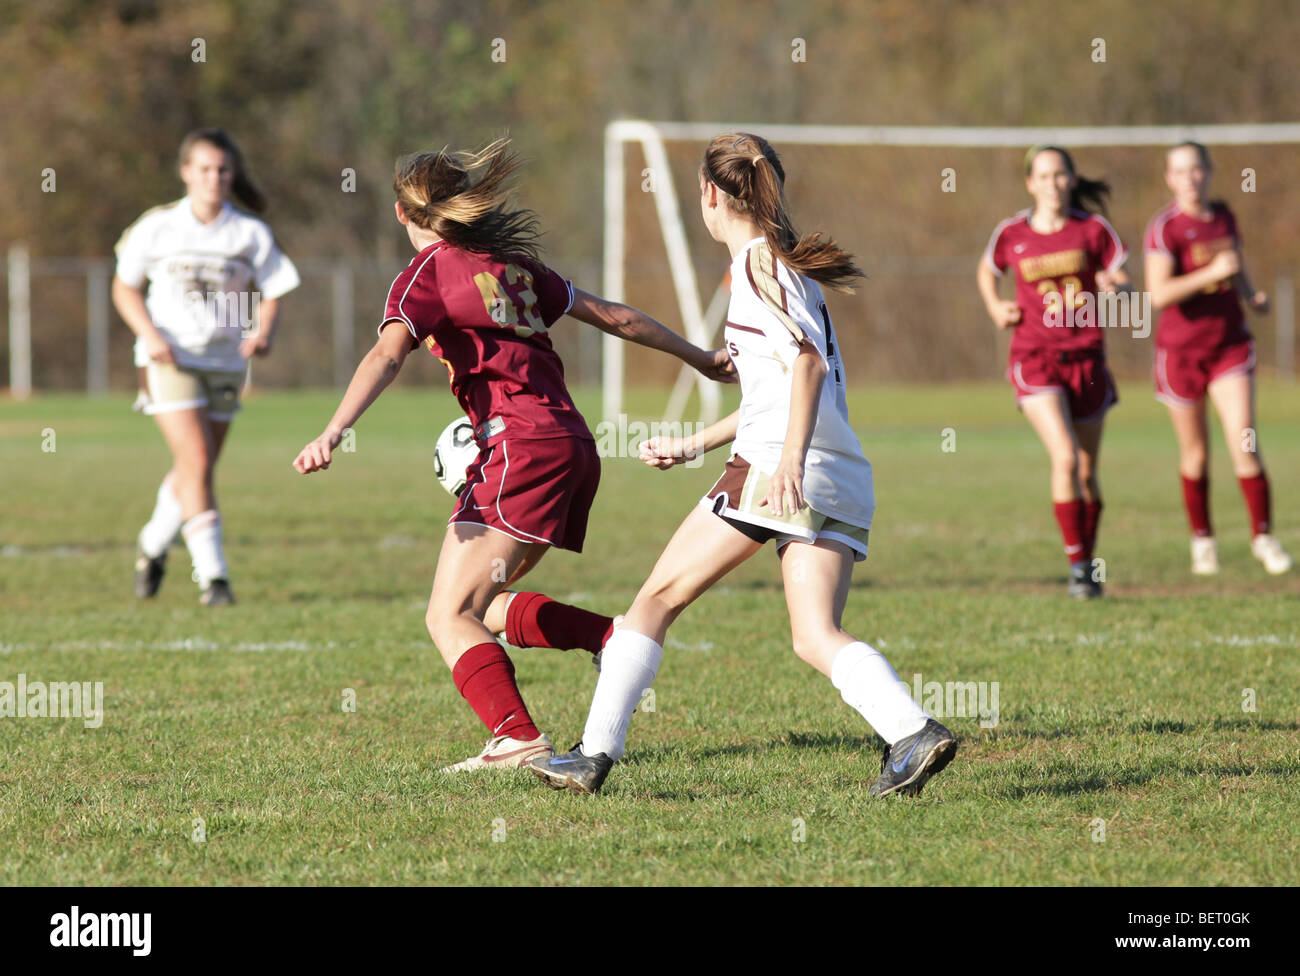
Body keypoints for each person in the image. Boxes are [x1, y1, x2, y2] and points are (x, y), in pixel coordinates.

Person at [530, 132, 957, 798]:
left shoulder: (757, 269)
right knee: (815, 635)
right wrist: (692, 445)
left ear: (709, 194)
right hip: (841, 472)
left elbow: (808, 367)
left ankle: (591, 755)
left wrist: (785, 462)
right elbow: (777, 391)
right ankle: (912, 734)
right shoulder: (790, 271)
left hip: (782, 469)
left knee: (654, 601)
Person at [292, 138, 735, 772]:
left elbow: (387, 354)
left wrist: (333, 429)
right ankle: (609, 639)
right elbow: (616, 318)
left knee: (449, 616)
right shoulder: (515, 266)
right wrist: (699, 358)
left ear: (401, 213)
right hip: (573, 446)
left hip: (520, 446)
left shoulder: (430, 271)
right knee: (482, 604)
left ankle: (515, 735)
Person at [113, 128, 300, 606]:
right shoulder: (158, 226)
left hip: (224, 361)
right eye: (204, 169)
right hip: (170, 357)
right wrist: (149, 335)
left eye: (223, 170)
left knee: (194, 468)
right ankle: (213, 579)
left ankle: (153, 545)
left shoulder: (248, 232)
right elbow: (125, 287)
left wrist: (262, 332)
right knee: (196, 463)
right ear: (185, 173)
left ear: (232, 175)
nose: (214, 178)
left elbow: (275, 289)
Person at [976, 145, 1130, 598]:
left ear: (1072, 179)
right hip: (1035, 358)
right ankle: (1078, 568)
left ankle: (1088, 560)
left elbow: (1126, 283)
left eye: (1060, 175)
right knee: (1063, 457)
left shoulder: (1093, 230)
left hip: (1087, 360)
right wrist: (995, 306)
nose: (1053, 183)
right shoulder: (1012, 233)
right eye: (1043, 176)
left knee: (1086, 471)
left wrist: (1113, 285)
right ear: (1031, 183)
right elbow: (987, 272)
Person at [1144, 142, 1291, 575]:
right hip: (1181, 354)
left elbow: (1235, 266)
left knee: (1244, 439)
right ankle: (1203, 542)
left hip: (1229, 346)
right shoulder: (1164, 228)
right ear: (1170, 178)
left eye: (1197, 169)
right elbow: (1157, 294)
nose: (1191, 178)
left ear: (1209, 172)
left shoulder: (1225, 216)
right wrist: (1209, 275)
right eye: (1181, 171)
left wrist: (1251, 295)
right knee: (1196, 454)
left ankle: (1263, 537)